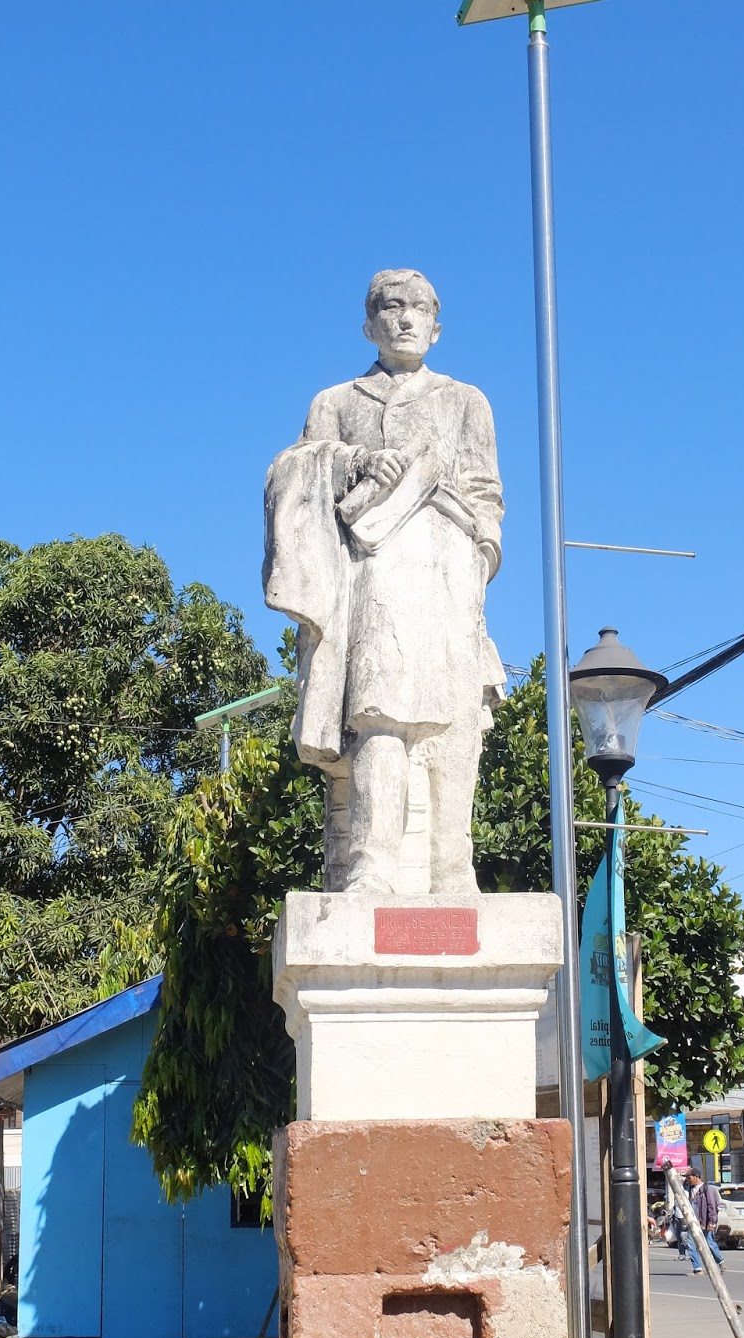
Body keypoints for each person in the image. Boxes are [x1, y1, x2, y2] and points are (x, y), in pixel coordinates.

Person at [263, 268, 506, 896]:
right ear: (369, 324)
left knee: (454, 716)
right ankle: (372, 864)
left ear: (437, 325)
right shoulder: (337, 402)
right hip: (373, 571)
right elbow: (288, 475)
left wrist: (479, 563)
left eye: (418, 309)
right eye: (391, 308)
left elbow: (486, 497)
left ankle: (454, 866)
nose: (405, 318)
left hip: (449, 567)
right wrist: (355, 461)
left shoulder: (465, 400)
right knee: (379, 712)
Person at [682, 1170, 724, 1275]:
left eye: (689, 1177)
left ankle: (721, 1262)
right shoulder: (689, 1189)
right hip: (693, 1222)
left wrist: (712, 1221)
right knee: (691, 1244)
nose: (688, 1180)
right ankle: (697, 1268)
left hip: (704, 1222)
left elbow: (712, 1206)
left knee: (709, 1243)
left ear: (696, 1176)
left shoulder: (707, 1189)